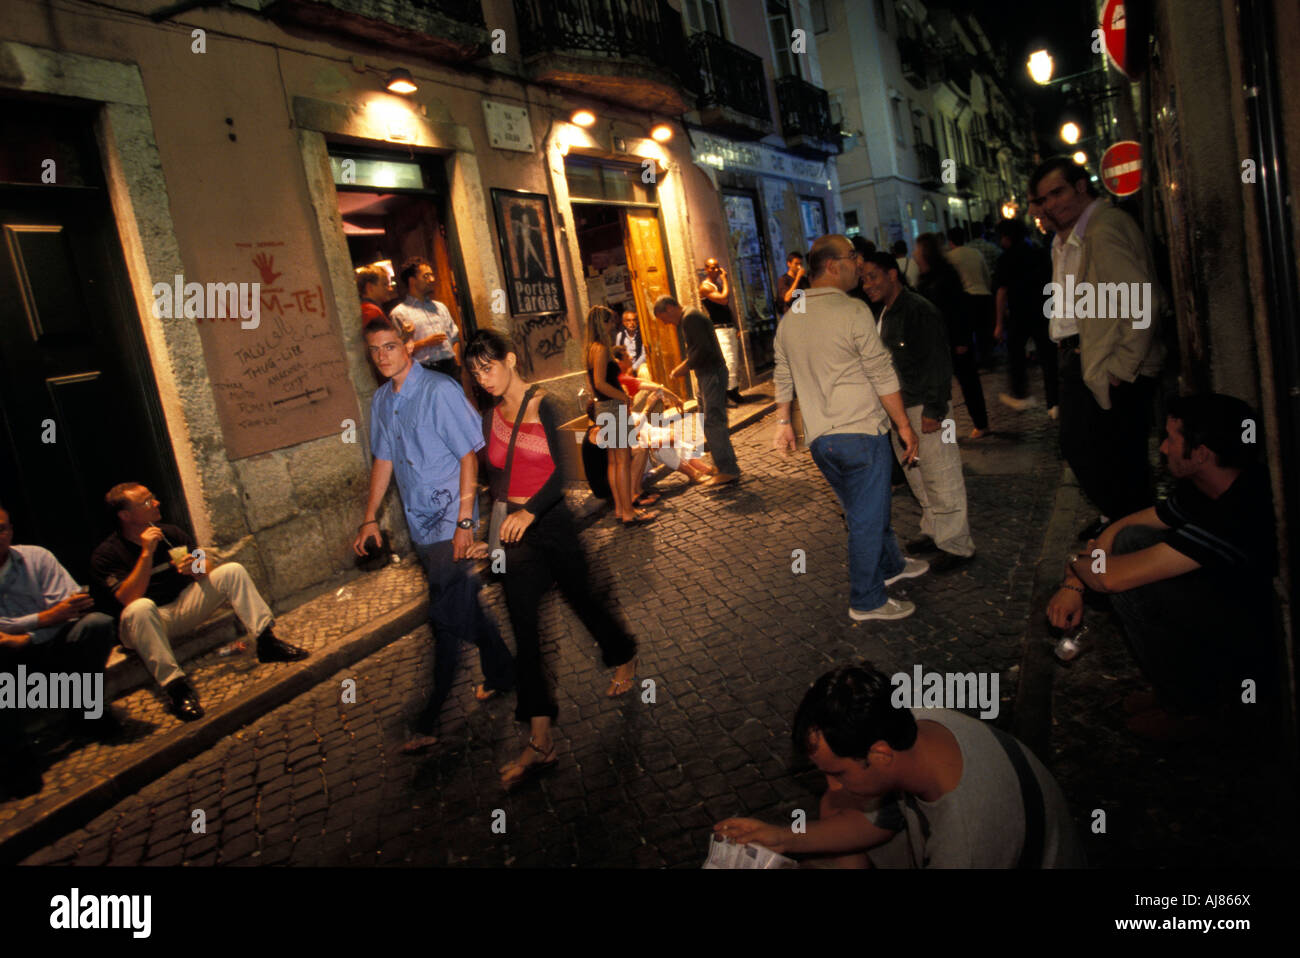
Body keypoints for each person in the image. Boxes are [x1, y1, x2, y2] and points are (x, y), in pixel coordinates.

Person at [463, 330, 639, 789]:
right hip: (515, 539)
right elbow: (497, 485)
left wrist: (529, 511)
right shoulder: (488, 418)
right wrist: (489, 538)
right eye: (476, 372)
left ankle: (623, 652)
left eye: (489, 366)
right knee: (526, 634)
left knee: (584, 602)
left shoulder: (546, 403)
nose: (484, 379)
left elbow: (561, 473)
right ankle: (541, 740)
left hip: (553, 527)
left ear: (511, 359)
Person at [1046, 393, 1275, 738]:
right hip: (1222, 599)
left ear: (1200, 454)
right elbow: (1121, 527)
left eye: (1171, 439)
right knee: (1129, 541)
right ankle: (1178, 689)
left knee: (1131, 584)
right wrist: (1077, 579)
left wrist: (1073, 571)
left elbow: (1109, 579)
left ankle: (1195, 708)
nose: (1164, 449)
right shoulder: (1208, 484)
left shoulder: (1239, 508)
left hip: (1253, 639)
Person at [714, 664, 1085, 868]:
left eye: (838, 772)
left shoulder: (966, 842)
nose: (832, 784)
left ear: (879, 755)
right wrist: (780, 837)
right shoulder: (912, 723)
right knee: (833, 815)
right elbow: (880, 821)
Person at [352, 318, 515, 753]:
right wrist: (370, 518)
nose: (384, 356)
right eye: (376, 350)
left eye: (391, 346)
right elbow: (383, 461)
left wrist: (464, 522)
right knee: (461, 604)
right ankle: (503, 670)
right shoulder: (382, 401)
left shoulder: (439, 390)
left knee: (443, 619)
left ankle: (429, 717)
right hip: (419, 525)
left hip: (449, 523)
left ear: (408, 345)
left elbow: (468, 457)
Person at [772, 235, 925, 621]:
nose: (860, 264)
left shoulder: (792, 317)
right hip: (860, 433)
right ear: (833, 266)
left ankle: (891, 566)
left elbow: (783, 373)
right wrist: (904, 424)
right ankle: (867, 599)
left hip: (823, 440)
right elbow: (880, 370)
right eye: (853, 257)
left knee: (865, 510)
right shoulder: (853, 311)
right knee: (865, 518)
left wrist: (782, 423)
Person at [90, 484, 308, 722]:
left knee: (232, 570)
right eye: (146, 502)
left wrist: (194, 568)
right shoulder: (107, 554)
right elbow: (127, 599)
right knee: (140, 608)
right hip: (142, 625)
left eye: (153, 498)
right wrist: (146, 554)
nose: (156, 503)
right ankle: (176, 689)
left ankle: (267, 642)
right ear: (125, 515)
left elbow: (207, 568)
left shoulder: (170, 533)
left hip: (180, 607)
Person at [1030, 156, 1164, 541]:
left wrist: (1122, 367)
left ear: (1082, 186)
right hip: (1080, 356)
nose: (1050, 204)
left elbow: (1143, 301)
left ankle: (1131, 535)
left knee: (1096, 452)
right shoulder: (1068, 237)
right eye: (1044, 198)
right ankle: (1123, 525)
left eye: (1057, 192)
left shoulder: (1103, 229)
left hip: (1106, 362)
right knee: (1105, 455)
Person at [863, 251, 976, 573]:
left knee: (942, 476)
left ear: (892, 274)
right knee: (918, 475)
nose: (866, 284)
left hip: (924, 407)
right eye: (863, 278)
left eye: (872, 276)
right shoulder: (886, 312)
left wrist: (934, 410)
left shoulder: (917, 310)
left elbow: (938, 362)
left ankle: (957, 545)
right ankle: (934, 530)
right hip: (902, 409)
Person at [1, 506, 120, 797]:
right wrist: (44, 618)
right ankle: (15, 754)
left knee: (96, 624)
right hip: (6, 660)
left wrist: (28, 634)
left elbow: (70, 610)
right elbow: (57, 612)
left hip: (48, 644)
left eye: (1, 528)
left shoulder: (36, 558)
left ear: (11, 530)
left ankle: (88, 712)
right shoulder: (109, 552)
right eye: (146, 502)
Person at [653, 295, 740, 487]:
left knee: (712, 420)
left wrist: (682, 368)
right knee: (708, 419)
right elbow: (698, 351)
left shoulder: (690, 318)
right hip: (706, 374)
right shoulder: (689, 317)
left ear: (669, 308)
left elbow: (701, 351)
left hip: (711, 374)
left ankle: (728, 470)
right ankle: (723, 465)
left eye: (663, 317)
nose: (666, 323)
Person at [586, 305, 658, 525]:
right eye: (610, 321)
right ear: (603, 323)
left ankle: (621, 509)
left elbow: (593, 384)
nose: (613, 325)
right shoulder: (600, 349)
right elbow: (599, 382)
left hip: (604, 408)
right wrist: (622, 397)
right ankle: (627, 511)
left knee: (614, 462)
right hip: (612, 408)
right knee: (622, 461)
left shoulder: (591, 348)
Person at [914, 233, 989, 438]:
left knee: (968, 382)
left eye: (918, 249)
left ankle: (981, 423)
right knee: (941, 389)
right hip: (936, 342)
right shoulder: (924, 278)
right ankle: (946, 432)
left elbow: (958, 307)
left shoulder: (945, 275)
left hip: (954, 338)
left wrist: (962, 339)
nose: (914, 253)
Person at [993, 218, 1058, 417]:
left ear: (1006, 237)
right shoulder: (1039, 253)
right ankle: (1054, 403)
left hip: (1019, 312)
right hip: (1042, 310)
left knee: (1015, 353)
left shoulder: (1005, 258)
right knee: (1049, 358)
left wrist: (998, 323)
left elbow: (1002, 292)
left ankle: (1021, 394)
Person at [389, 256, 463, 381]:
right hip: (424, 371)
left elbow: (454, 337)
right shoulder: (399, 313)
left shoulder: (440, 307)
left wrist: (457, 362)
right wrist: (424, 343)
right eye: (426, 276)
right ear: (412, 281)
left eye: (432, 275)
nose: (432, 279)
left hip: (450, 368)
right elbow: (398, 352)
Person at [945, 227, 996, 366]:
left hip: (966, 297)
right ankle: (987, 358)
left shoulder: (950, 257)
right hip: (983, 294)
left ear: (950, 241)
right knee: (984, 332)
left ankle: (973, 361)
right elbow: (986, 276)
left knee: (968, 332)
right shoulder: (976, 253)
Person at [699, 257, 745, 404]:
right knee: (726, 361)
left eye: (717, 267)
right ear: (706, 269)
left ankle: (733, 390)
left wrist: (736, 326)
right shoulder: (705, 287)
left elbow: (727, 308)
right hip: (719, 329)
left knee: (733, 361)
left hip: (728, 327)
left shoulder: (717, 284)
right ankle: (725, 394)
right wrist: (725, 280)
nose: (715, 270)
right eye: (711, 267)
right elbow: (724, 299)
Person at [612, 308, 648, 376]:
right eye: (628, 320)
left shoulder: (642, 335)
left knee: (644, 370)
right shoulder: (620, 336)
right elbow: (617, 355)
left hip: (638, 366)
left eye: (634, 320)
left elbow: (644, 355)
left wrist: (633, 368)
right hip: (625, 367)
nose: (632, 323)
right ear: (624, 322)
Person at [776, 251, 811, 316]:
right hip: (791, 314)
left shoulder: (803, 279)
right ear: (789, 264)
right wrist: (797, 278)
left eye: (800, 264)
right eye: (796, 264)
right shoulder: (783, 280)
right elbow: (787, 298)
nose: (799, 267)